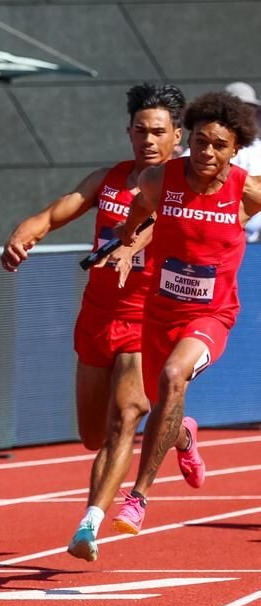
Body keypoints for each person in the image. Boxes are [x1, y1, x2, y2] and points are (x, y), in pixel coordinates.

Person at [1, 83, 185, 562]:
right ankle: (178, 427)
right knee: (92, 436)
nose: (148, 139)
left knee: (126, 417)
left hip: (146, 320)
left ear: (177, 136)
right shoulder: (109, 179)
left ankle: (90, 523)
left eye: (158, 132)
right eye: (140, 130)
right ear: (128, 132)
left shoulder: (185, 192)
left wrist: (137, 244)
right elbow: (57, 211)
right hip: (97, 318)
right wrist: (26, 232)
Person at [112, 91, 261, 535]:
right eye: (200, 142)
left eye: (218, 145)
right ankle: (185, 436)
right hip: (158, 315)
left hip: (210, 318)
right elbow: (138, 210)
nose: (207, 153)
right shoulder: (161, 180)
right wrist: (125, 240)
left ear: (235, 150)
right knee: (166, 408)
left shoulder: (246, 190)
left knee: (173, 377)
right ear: (188, 139)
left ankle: (137, 497)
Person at [224, 82, 261, 241]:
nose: (243, 114)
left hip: (255, 246)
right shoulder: (200, 149)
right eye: (237, 108)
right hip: (213, 242)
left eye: (249, 109)